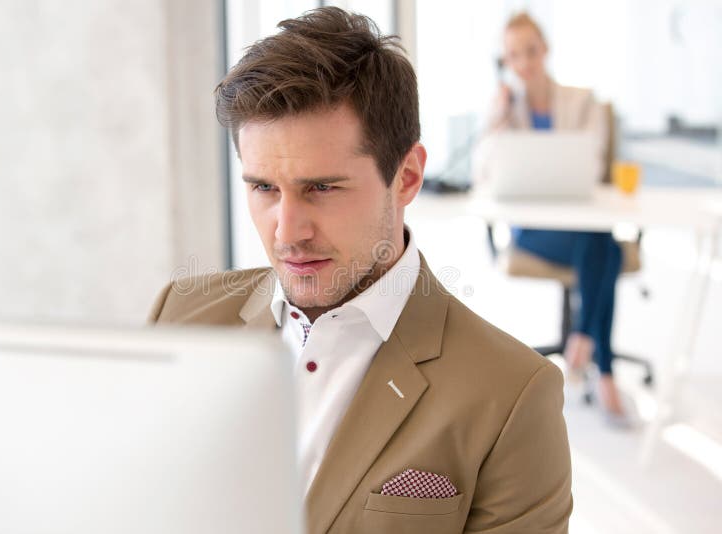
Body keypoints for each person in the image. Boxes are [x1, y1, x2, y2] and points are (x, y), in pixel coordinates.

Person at [149, 7, 571, 533]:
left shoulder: (512, 395)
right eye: (263, 188)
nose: (286, 232)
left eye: (321, 188)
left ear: (408, 176)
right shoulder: (180, 317)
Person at [477, 12, 627, 423]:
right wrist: (499, 116)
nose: (524, 62)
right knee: (605, 248)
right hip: (533, 232)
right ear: (504, 61)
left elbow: (593, 163)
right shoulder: (505, 108)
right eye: (513, 55)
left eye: (530, 51)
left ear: (545, 50)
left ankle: (583, 338)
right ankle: (602, 365)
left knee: (600, 243)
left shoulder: (582, 102)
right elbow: (483, 173)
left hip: (579, 225)